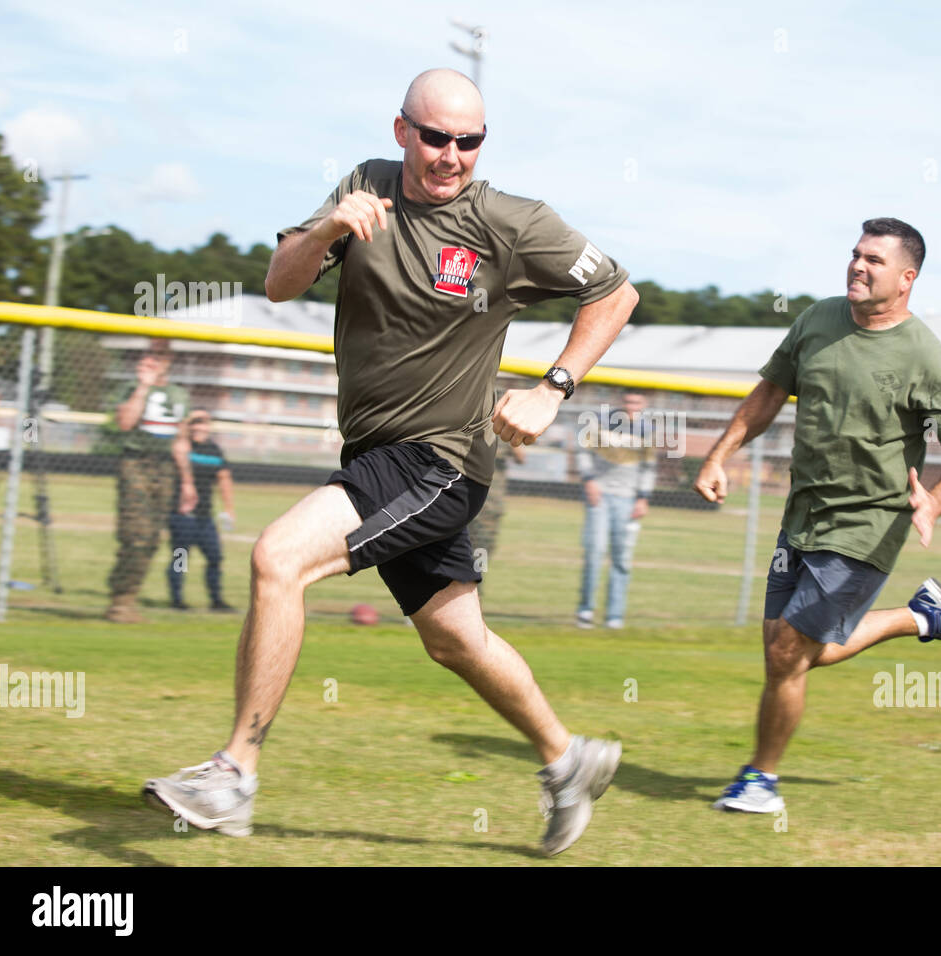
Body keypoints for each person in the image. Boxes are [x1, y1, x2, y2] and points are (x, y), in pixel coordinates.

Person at [143, 69, 639, 856]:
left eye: (468, 141)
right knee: (454, 638)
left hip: (438, 460)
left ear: (482, 143)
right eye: (435, 136)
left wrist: (554, 387)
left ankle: (233, 773)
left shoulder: (511, 223)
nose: (450, 156)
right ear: (402, 130)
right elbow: (279, 285)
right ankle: (567, 759)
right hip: (375, 451)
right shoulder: (366, 185)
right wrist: (327, 230)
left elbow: (616, 292)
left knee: (278, 558)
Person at [694, 218, 941, 813]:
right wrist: (719, 455)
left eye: (874, 260)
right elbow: (770, 394)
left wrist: (935, 500)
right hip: (803, 514)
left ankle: (760, 782)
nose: (858, 266)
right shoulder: (816, 320)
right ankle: (919, 616)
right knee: (790, 650)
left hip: (868, 524)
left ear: (906, 279)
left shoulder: (925, 354)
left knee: (786, 655)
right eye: (855, 254)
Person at [105, 340, 192, 624]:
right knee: (135, 534)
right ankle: (120, 599)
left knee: (153, 537)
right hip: (136, 463)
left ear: (168, 360)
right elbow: (125, 423)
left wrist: (187, 482)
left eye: (159, 355)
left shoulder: (178, 394)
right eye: (149, 354)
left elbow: (180, 440)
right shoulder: (133, 388)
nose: (152, 359)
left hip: (165, 468)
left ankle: (127, 599)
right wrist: (143, 386)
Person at [575, 391, 658, 629]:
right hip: (599, 497)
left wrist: (643, 498)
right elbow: (583, 453)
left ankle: (614, 615)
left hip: (628, 500)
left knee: (621, 558)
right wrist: (589, 480)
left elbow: (648, 468)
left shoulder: (647, 431)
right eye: (628, 401)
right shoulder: (601, 423)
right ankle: (585, 611)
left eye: (637, 402)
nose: (631, 406)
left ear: (644, 405)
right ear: (621, 403)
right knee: (595, 552)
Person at [167, 410, 236, 612]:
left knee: (215, 557)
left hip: (205, 517)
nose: (199, 427)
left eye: (203, 422)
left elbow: (224, 479)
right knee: (181, 558)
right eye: (195, 422)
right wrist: (187, 422)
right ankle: (177, 600)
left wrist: (229, 509)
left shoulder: (214, 450)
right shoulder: (182, 446)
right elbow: (178, 446)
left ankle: (216, 600)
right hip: (182, 516)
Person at [465, 408, 526, 589]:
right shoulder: (469, 421)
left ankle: (474, 592)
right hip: (466, 496)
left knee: (482, 549)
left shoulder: (505, 425)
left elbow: (521, 458)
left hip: (489, 503)